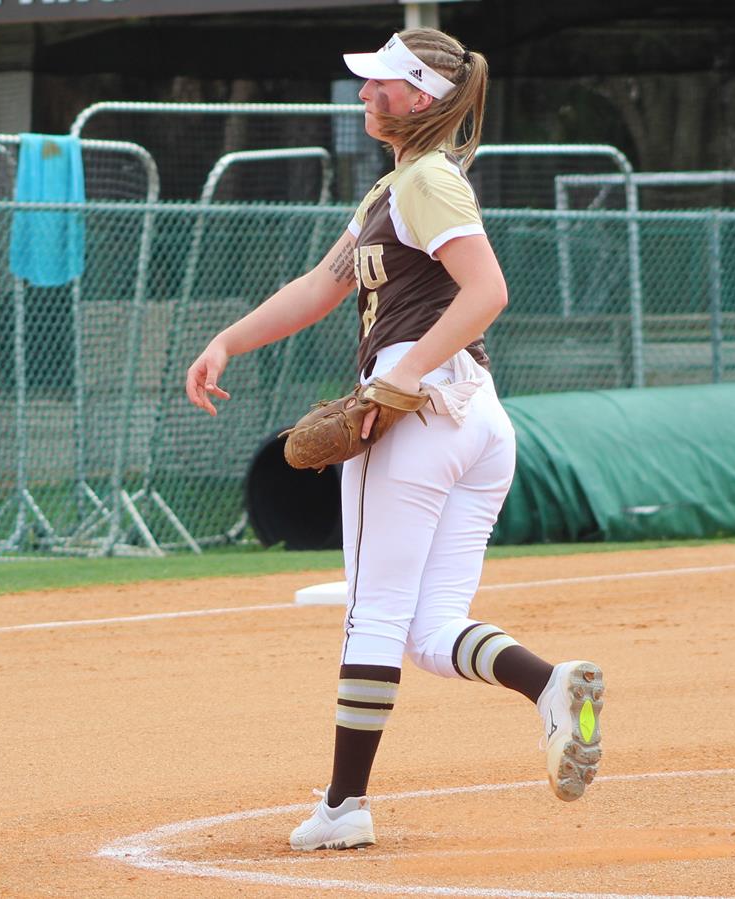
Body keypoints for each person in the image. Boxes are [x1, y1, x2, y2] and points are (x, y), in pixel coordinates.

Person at [185, 29, 605, 851]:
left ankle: (344, 806)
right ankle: (552, 685)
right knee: (431, 629)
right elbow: (320, 286)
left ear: (421, 97)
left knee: (372, 613)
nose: (365, 94)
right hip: (476, 419)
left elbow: (488, 291)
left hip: (418, 415)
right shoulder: (396, 186)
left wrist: (398, 381)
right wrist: (228, 340)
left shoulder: (427, 183)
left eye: (382, 84)